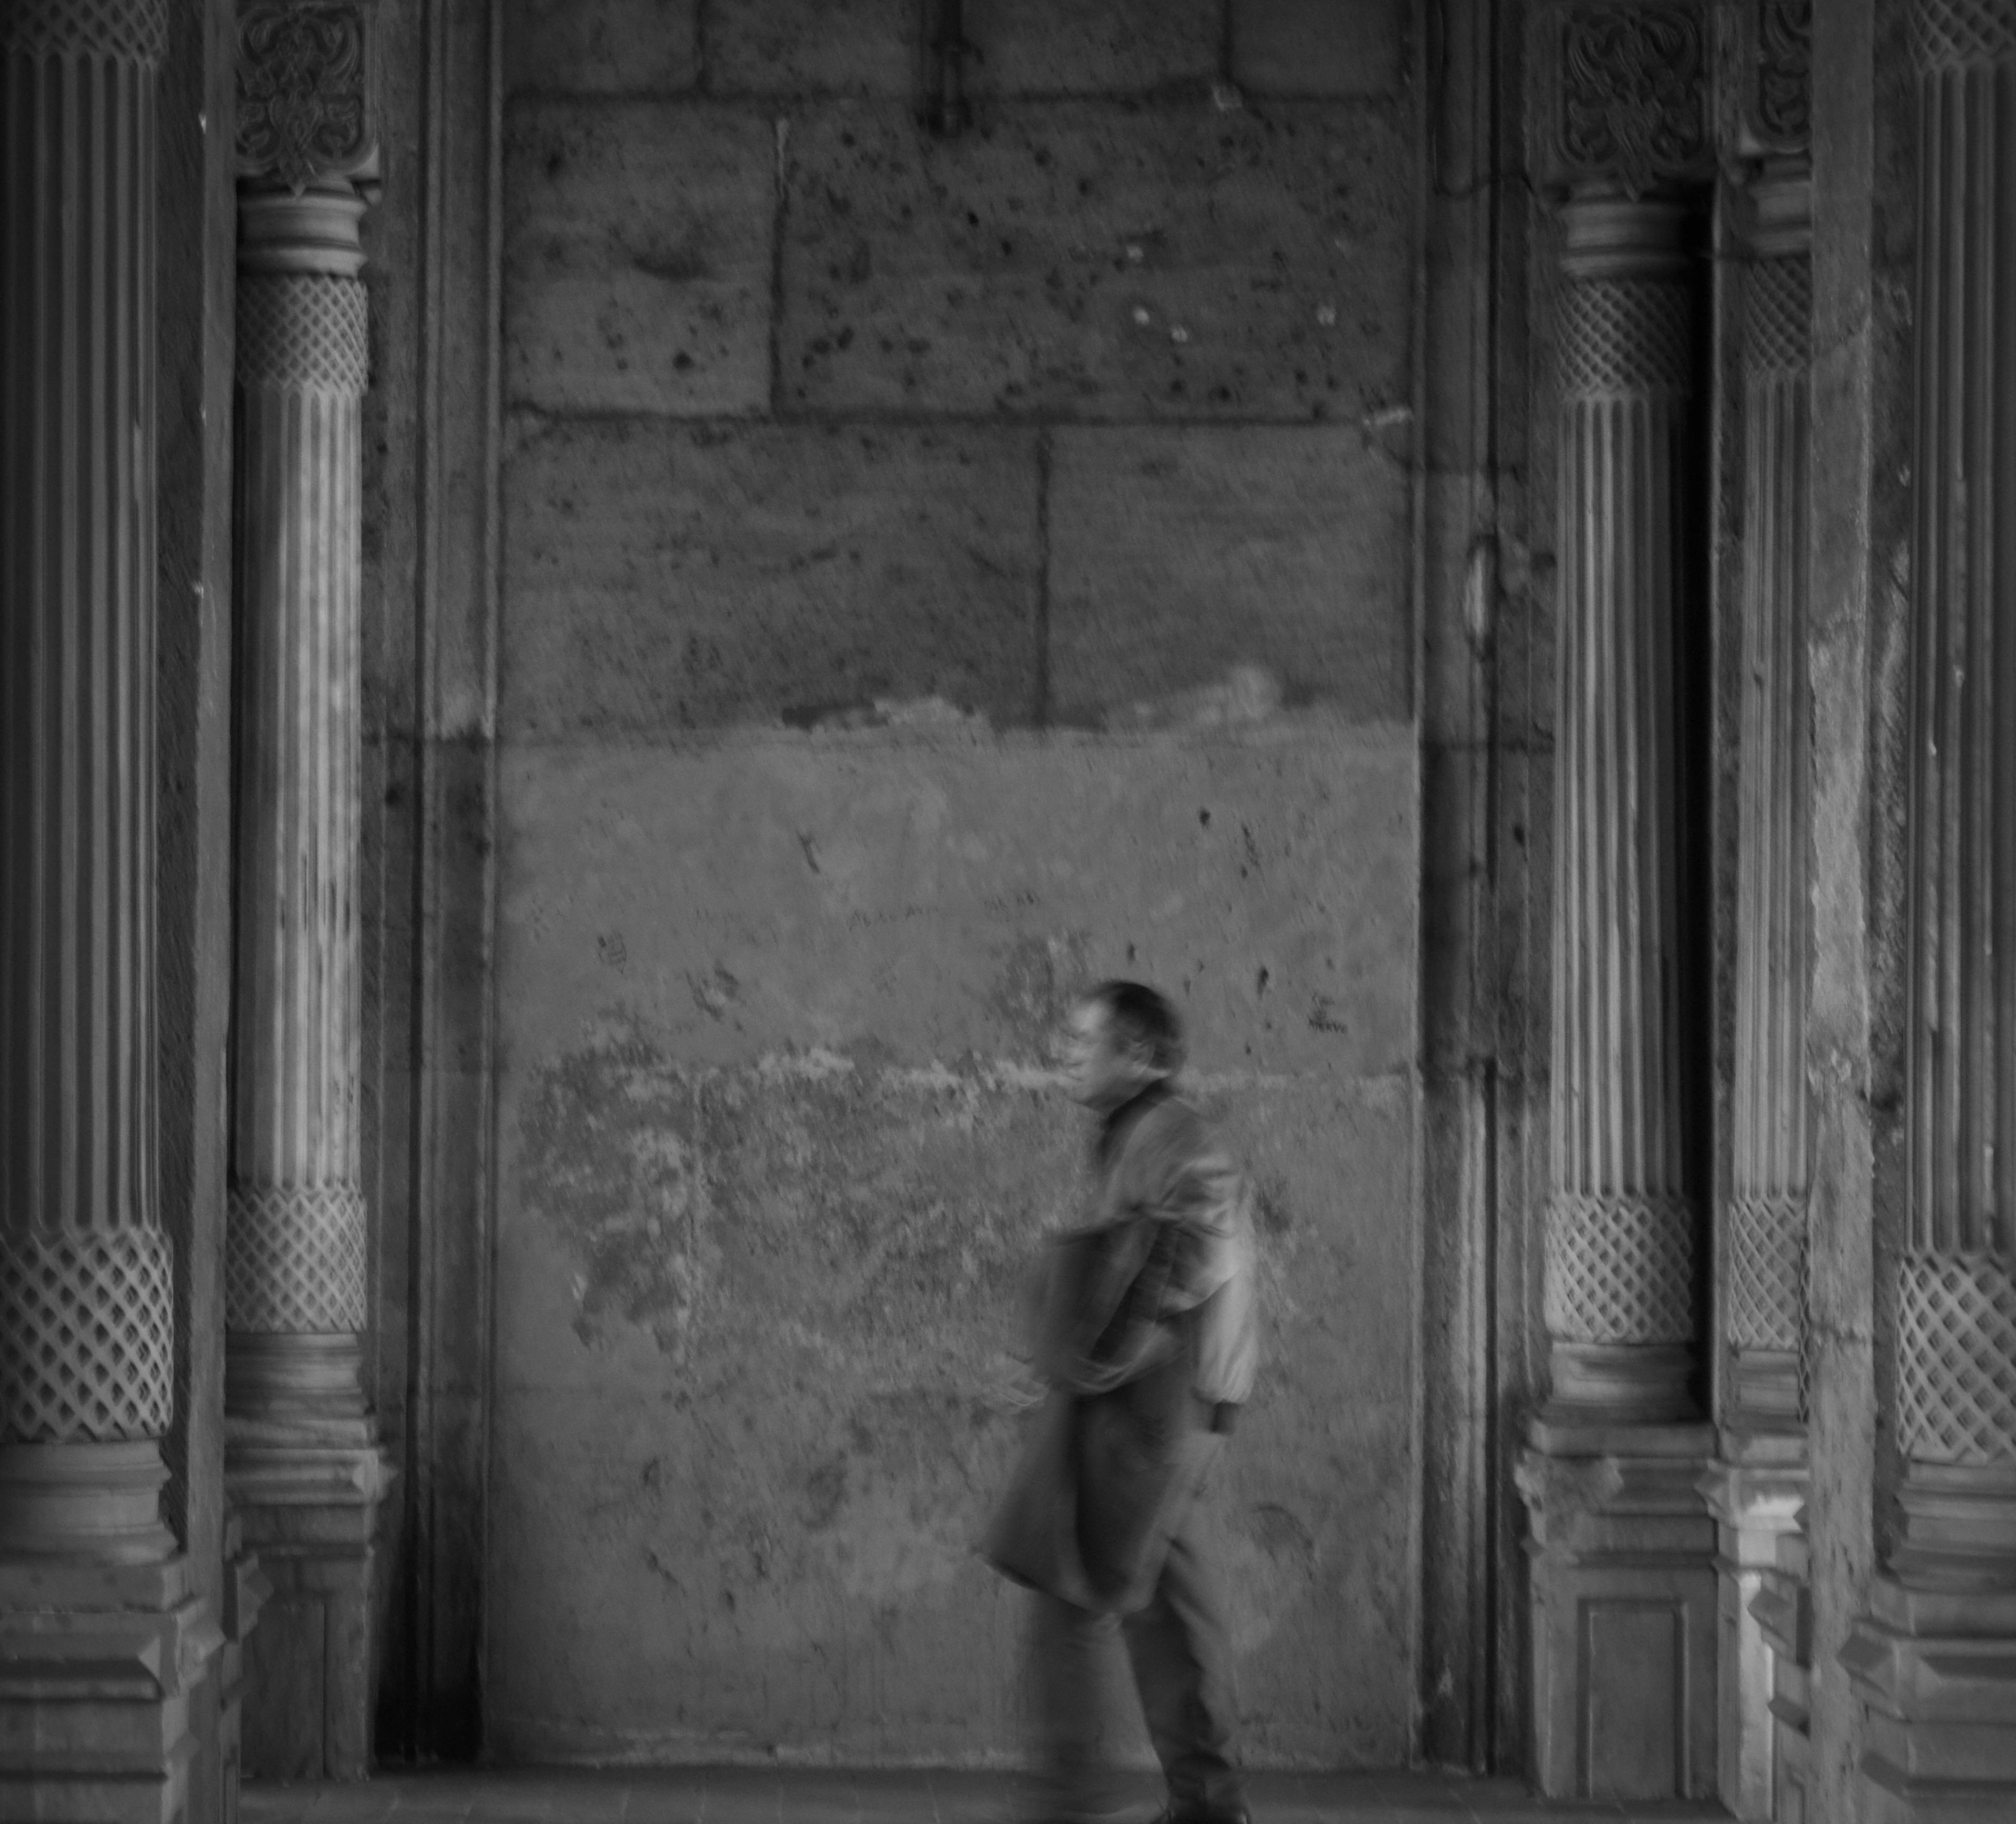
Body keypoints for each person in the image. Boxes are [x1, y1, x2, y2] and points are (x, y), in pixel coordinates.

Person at [985, 981, 1259, 1824]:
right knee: (1166, 1614)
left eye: (1084, 1039)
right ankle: (1207, 1804)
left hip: (1155, 1411)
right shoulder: (1143, 1131)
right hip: (1172, 1407)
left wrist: (1097, 1359)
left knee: (1066, 1589)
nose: (1067, 1052)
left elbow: (1184, 1244)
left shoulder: (1172, 1132)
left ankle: (1065, 1803)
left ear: (1139, 1055)